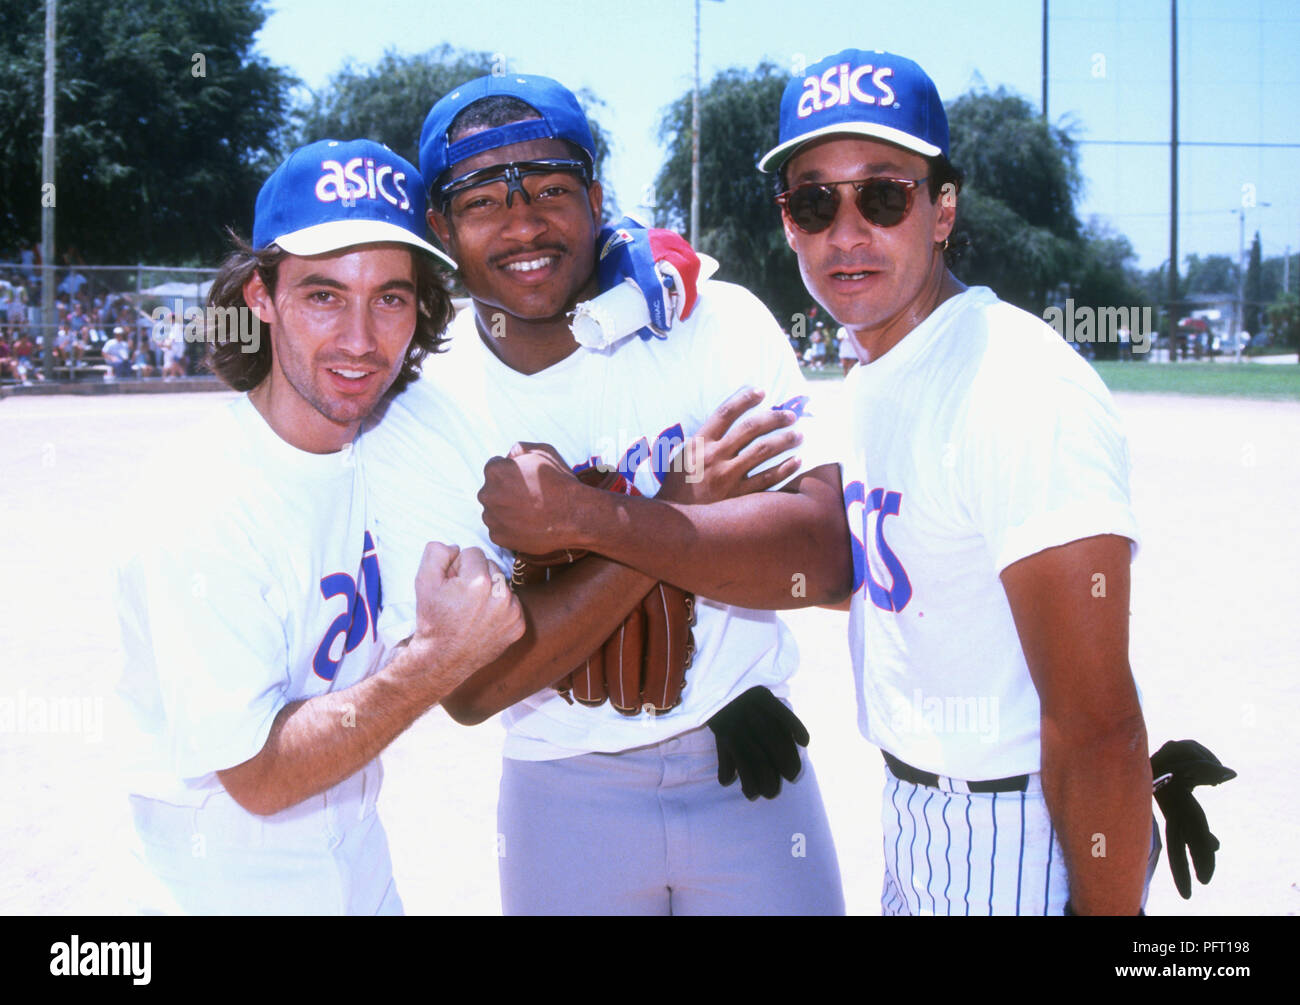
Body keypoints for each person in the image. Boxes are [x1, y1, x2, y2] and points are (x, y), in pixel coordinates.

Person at [359, 73, 854, 915]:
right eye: (483, 202)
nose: (524, 223)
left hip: (747, 760)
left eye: (552, 189)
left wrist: (595, 519)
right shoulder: (420, 410)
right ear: (439, 227)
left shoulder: (715, 322)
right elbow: (475, 687)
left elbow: (824, 563)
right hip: (562, 784)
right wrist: (684, 509)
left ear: (596, 196)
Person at [760, 49, 1155, 915]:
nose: (847, 232)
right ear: (789, 223)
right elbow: (917, 569)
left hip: (1014, 824)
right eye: (816, 201)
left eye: (885, 195)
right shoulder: (876, 374)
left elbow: (1098, 727)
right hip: (918, 811)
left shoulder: (1015, 383)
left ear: (942, 211)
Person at [114, 138, 527, 915]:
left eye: (391, 298)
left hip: (361, 877)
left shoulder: (400, 435)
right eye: (323, 294)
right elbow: (259, 776)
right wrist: (434, 660)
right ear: (261, 299)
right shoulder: (200, 498)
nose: (362, 339)